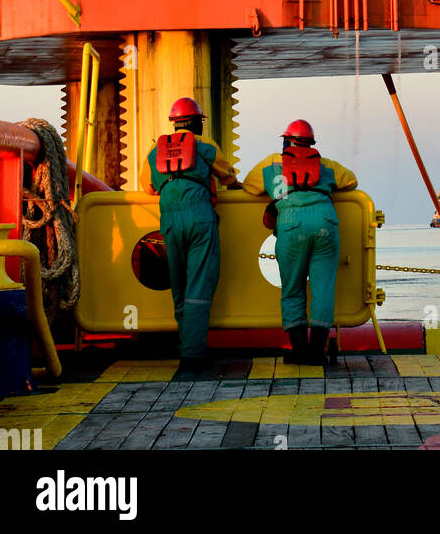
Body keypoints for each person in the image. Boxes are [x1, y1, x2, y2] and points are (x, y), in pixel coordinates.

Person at [243, 121, 357, 364]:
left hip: (291, 224)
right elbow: (351, 182)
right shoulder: (325, 164)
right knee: (322, 289)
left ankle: (299, 350)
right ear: (311, 144)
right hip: (325, 222)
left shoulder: (272, 162)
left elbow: (249, 186)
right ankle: (317, 351)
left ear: (287, 141)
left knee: (292, 288)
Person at [141, 97, 239, 375]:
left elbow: (148, 187)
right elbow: (228, 175)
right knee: (199, 285)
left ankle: (187, 347)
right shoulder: (206, 146)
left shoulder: (154, 151)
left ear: (173, 124)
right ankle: (194, 356)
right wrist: (230, 183)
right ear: (196, 122)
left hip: (170, 219)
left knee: (180, 286)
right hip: (199, 217)